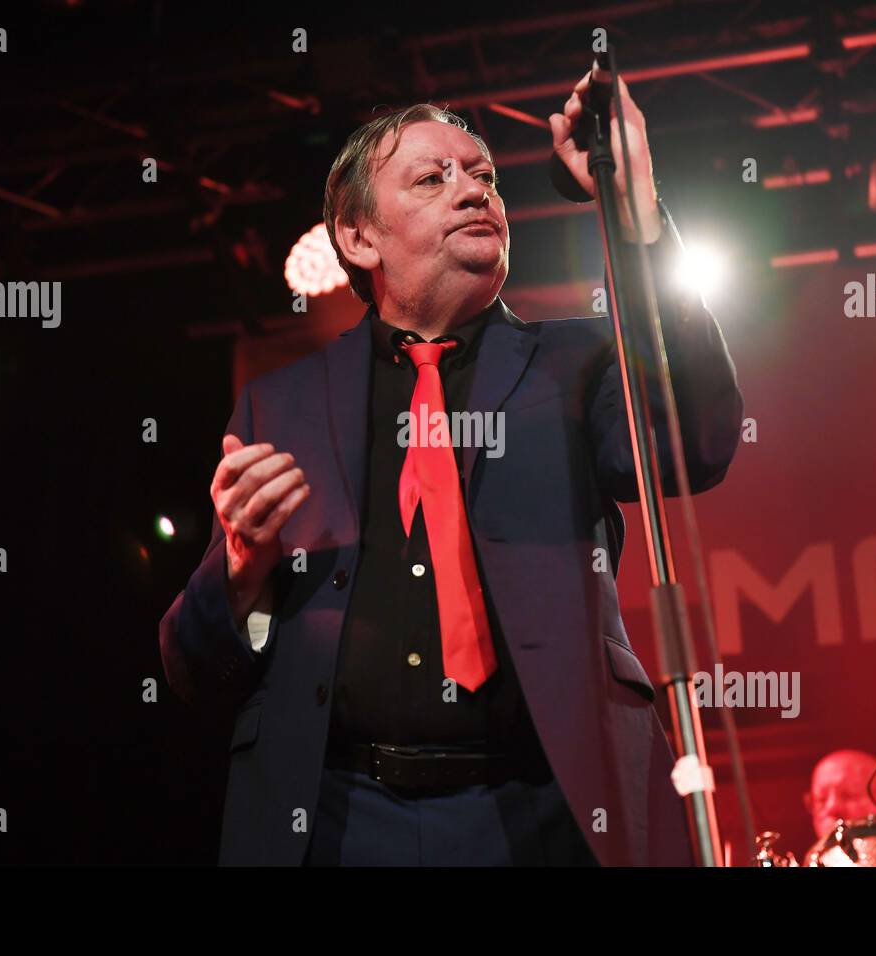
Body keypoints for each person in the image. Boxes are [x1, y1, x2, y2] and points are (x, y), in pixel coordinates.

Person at [159, 71, 743, 865]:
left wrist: (635, 204)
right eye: (434, 179)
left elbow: (695, 444)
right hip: (341, 821)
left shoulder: (580, 359)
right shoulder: (280, 406)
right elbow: (194, 671)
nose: (473, 192)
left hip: (550, 809)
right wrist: (240, 571)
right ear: (359, 238)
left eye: (484, 176)